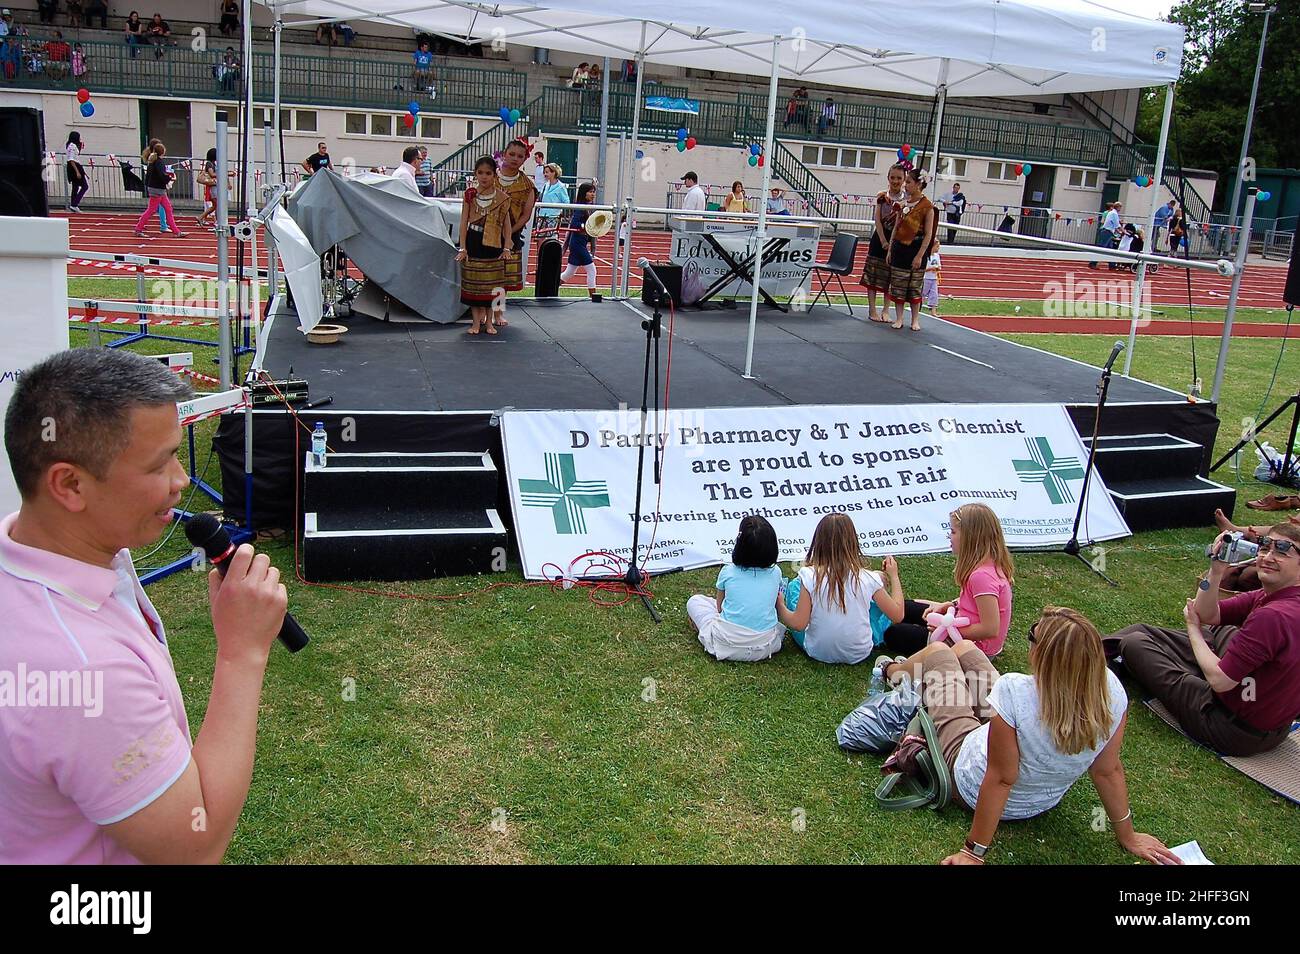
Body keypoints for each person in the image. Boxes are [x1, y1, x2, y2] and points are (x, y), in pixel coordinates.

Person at [0, 348, 288, 864]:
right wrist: (241, 652)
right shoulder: (86, 675)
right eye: (160, 464)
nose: (182, 480)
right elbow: (192, 850)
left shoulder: (30, 549)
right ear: (70, 484)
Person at [876, 607, 1179, 866]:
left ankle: (890, 670)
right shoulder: (1110, 692)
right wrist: (1127, 835)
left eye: (1033, 636)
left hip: (968, 777)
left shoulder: (1015, 690)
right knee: (966, 649)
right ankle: (917, 672)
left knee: (940, 654)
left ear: (1043, 656)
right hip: (1037, 800)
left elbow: (1001, 778)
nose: (1029, 641)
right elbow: (1107, 769)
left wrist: (973, 853)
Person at [1109, 524, 1300, 757]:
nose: (1268, 557)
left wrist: (1193, 630)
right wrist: (1216, 570)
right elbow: (1207, 613)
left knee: (1135, 643)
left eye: (1282, 550)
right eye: (1265, 547)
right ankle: (1099, 653)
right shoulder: (1277, 596)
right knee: (1221, 630)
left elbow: (1220, 681)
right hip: (1270, 720)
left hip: (1229, 726)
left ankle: (1093, 659)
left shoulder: (1273, 616)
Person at [881, 502, 1013, 658]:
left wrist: (946, 630)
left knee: (894, 634)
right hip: (958, 623)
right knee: (908, 607)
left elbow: (990, 629)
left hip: (974, 648)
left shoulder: (981, 576)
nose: (949, 536)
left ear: (971, 537)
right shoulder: (988, 565)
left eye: (953, 531)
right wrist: (950, 605)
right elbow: (977, 603)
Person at [775, 513, 905, 665]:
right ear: (853, 542)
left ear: (818, 542)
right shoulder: (869, 578)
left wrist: (780, 605)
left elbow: (798, 624)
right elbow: (897, 615)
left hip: (817, 651)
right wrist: (894, 576)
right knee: (877, 610)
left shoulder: (809, 575)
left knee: (794, 587)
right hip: (860, 652)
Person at [686, 515, 786, 662]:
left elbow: (719, 608)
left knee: (695, 601)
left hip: (726, 643)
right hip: (767, 646)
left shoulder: (728, 571)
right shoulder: (776, 572)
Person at [455, 155, 513, 336]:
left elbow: (506, 224)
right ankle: (475, 322)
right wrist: (463, 247)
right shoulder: (470, 195)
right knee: (474, 284)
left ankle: (491, 320)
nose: (484, 177)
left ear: (494, 175)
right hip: (474, 241)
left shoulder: (503, 197)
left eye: (488, 173)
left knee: (494, 284)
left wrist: (507, 247)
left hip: (494, 243)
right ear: (475, 174)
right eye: (480, 173)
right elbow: (463, 221)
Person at [885, 164, 937, 332]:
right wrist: (891, 248)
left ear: (919, 184)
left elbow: (928, 234)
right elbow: (896, 228)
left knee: (915, 287)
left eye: (908, 182)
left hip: (916, 248)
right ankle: (899, 318)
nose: (905, 185)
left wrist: (920, 255)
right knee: (898, 284)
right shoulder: (903, 204)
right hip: (900, 247)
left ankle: (915, 319)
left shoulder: (928, 207)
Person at [859, 163, 907, 323]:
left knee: (890, 276)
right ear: (888, 178)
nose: (895, 181)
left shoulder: (907, 199)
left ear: (904, 179)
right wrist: (883, 241)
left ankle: (886, 310)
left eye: (899, 178)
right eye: (892, 177)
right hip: (879, 238)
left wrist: (892, 244)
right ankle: (872, 309)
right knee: (872, 275)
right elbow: (877, 220)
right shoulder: (881, 196)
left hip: (896, 240)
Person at [496, 139, 538, 320]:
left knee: (502, 277)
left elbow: (526, 215)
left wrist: (508, 232)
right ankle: (480, 314)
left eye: (520, 156)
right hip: (484, 233)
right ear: (504, 154)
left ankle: (497, 313)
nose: (515, 158)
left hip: (511, 236)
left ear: (524, 160)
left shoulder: (528, 185)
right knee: (483, 274)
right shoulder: (490, 176)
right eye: (511, 154)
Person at [559, 180, 601, 302]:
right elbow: (576, 224)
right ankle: (593, 296)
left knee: (568, 273)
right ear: (584, 193)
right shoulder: (580, 208)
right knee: (592, 270)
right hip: (577, 244)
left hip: (580, 243)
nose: (593, 194)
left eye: (594, 192)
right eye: (590, 192)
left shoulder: (587, 207)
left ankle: (550, 287)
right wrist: (588, 226)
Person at [134, 141, 185, 238]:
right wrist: (170, 178)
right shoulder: (159, 162)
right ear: (163, 152)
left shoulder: (152, 161)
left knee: (167, 209)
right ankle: (138, 228)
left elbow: (150, 176)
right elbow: (162, 176)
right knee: (152, 210)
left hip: (155, 189)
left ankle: (176, 231)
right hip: (158, 190)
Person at [1090, 201, 1121, 269]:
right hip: (1107, 231)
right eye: (1120, 207)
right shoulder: (1113, 213)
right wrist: (1122, 231)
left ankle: (1112, 265)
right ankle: (1093, 263)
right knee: (1101, 248)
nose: (1120, 209)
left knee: (1110, 249)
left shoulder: (1111, 213)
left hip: (1108, 231)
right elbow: (1116, 224)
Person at [65, 130, 87, 213]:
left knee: (75, 187)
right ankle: (74, 204)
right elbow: (71, 159)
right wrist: (77, 171)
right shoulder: (72, 146)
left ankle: (74, 205)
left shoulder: (72, 145)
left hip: (74, 166)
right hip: (74, 166)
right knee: (85, 186)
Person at [197, 146, 217, 228]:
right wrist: (225, 173)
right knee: (216, 205)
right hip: (211, 187)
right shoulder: (209, 164)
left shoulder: (212, 163)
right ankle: (217, 221)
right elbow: (212, 174)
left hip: (213, 186)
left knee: (215, 206)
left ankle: (201, 217)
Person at [923, 240, 942, 317]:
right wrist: (931, 269)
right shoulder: (926, 256)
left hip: (934, 279)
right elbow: (923, 269)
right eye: (937, 246)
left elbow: (939, 266)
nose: (938, 248)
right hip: (926, 278)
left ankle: (933, 312)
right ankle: (917, 309)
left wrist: (937, 269)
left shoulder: (937, 256)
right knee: (922, 294)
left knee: (934, 295)